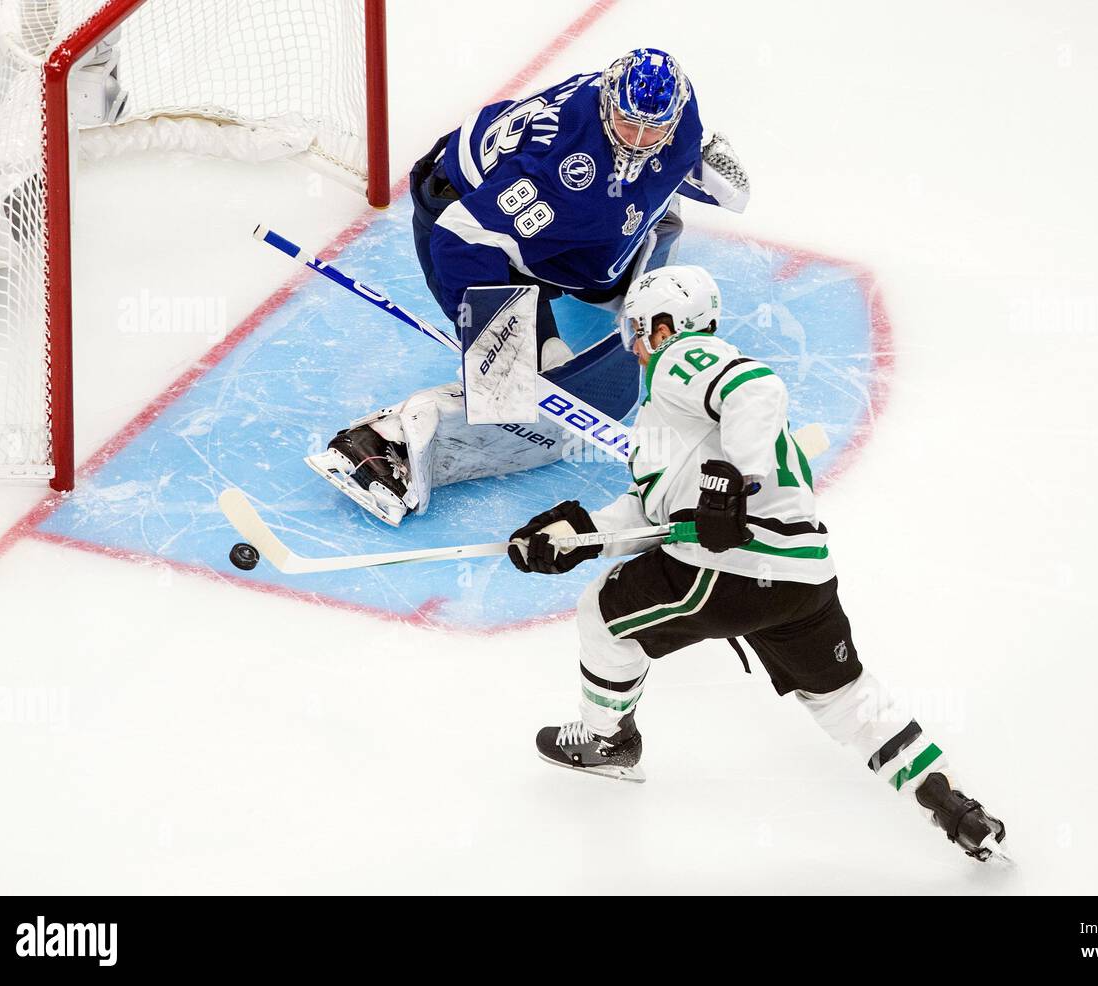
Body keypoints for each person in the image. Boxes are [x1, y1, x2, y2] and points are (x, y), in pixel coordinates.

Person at [507, 265, 1009, 862]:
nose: (635, 349)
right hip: (802, 580)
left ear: (665, 325)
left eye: (639, 332)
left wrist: (733, 486)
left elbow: (756, 387)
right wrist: (578, 537)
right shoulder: (676, 422)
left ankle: (606, 738)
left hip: (732, 566)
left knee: (605, 613)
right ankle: (948, 801)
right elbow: (653, 511)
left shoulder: (681, 358)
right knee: (842, 696)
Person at [307, 49, 750, 527]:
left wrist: (702, 167)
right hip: (462, 208)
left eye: (653, 131)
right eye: (627, 125)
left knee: (626, 235)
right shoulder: (559, 162)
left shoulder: (674, 121)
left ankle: (564, 305)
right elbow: (462, 238)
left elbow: (673, 155)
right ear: (607, 107)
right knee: (518, 372)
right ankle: (379, 446)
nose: (639, 142)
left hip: (544, 210)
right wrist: (496, 349)